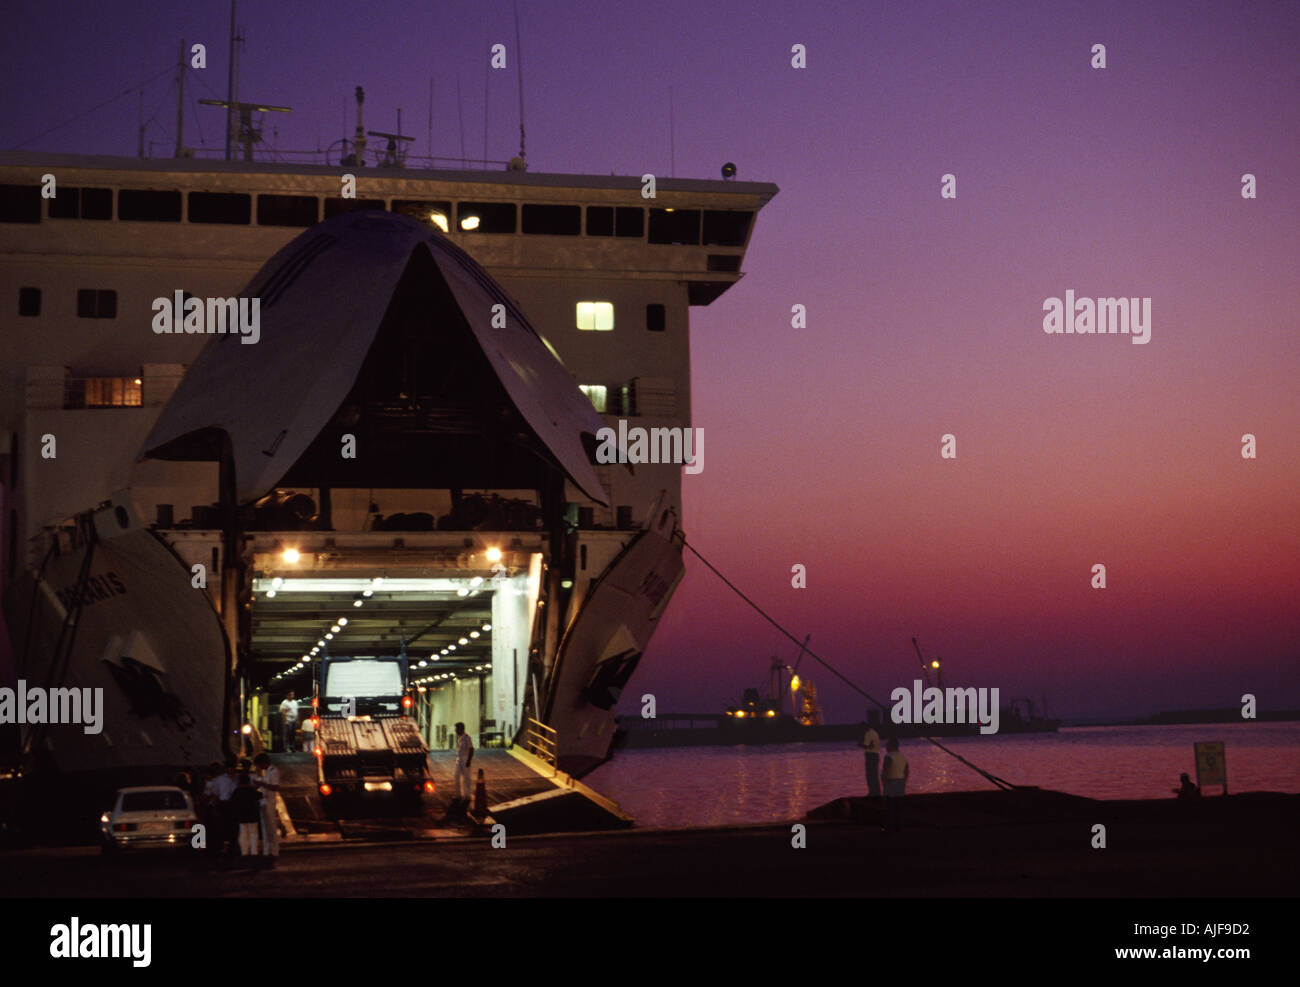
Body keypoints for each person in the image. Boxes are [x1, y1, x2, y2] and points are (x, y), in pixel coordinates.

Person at [253, 752, 283, 868]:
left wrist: (261, 784)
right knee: (266, 829)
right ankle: (267, 851)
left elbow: (275, 787)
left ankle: (274, 851)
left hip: (270, 802)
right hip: (265, 802)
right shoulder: (267, 772)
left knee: (271, 828)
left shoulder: (274, 771)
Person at [229, 771, 262, 860]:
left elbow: (232, 802)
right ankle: (254, 852)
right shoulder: (251, 790)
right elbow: (260, 795)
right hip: (252, 815)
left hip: (241, 816)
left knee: (243, 834)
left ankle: (244, 852)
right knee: (253, 834)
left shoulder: (237, 791)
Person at [881, 738, 909, 832]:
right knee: (899, 806)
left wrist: (884, 783)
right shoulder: (902, 757)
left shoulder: (889, 756)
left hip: (891, 782)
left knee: (889, 807)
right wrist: (904, 781)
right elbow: (906, 771)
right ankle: (899, 827)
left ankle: (888, 827)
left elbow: (886, 770)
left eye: (887, 745)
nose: (885, 747)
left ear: (891, 746)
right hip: (901, 782)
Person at [859, 720, 882, 798]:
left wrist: (860, 744)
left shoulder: (869, 734)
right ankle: (876, 792)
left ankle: (873, 792)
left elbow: (866, 745)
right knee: (874, 775)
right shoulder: (873, 732)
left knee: (870, 775)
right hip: (875, 755)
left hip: (871, 756)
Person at [453, 722, 474, 803]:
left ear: (461, 729)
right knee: (456, 776)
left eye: (456, 729)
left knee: (466, 778)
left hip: (465, 759)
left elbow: (471, 749)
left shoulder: (467, 738)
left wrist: (469, 760)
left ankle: (467, 796)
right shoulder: (459, 737)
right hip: (459, 759)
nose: (455, 730)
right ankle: (458, 795)